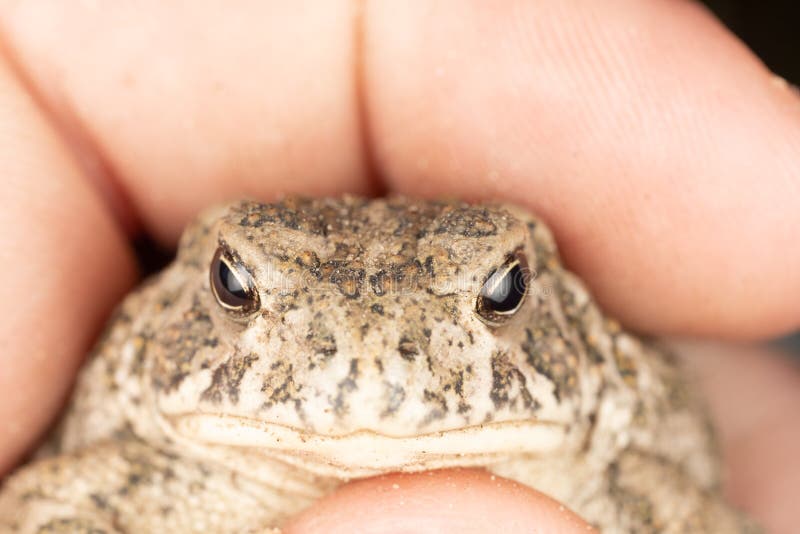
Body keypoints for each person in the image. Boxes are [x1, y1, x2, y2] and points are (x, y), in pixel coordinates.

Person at [0, 2, 797, 532]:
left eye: (501, 293)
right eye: (240, 290)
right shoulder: (138, 477)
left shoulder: (616, 474)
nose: (366, 361)